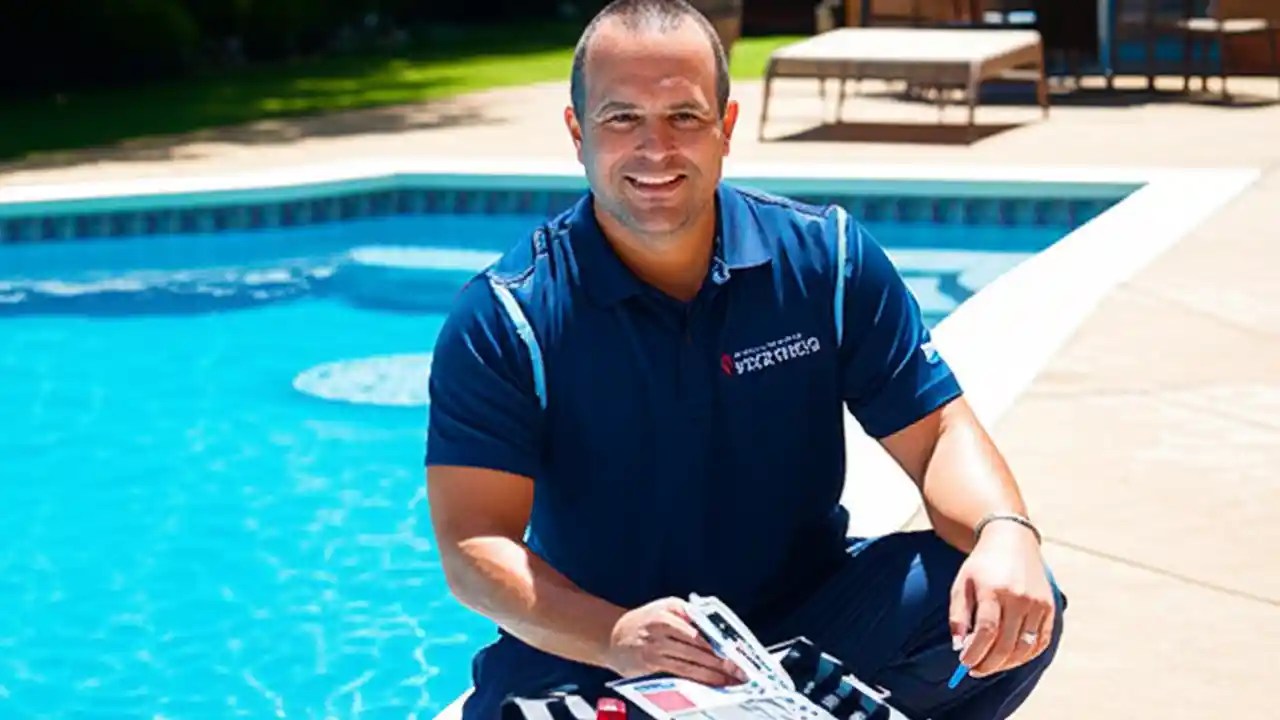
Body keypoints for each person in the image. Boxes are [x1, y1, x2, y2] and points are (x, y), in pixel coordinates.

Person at [424, 1, 1066, 718]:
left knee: (1010, 602)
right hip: (601, 643)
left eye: (684, 117)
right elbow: (474, 540)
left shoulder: (827, 261)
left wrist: (1004, 531)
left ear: (726, 128)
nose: (656, 149)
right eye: (622, 118)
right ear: (578, 134)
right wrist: (613, 635)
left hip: (808, 625)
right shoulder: (508, 317)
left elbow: (939, 432)